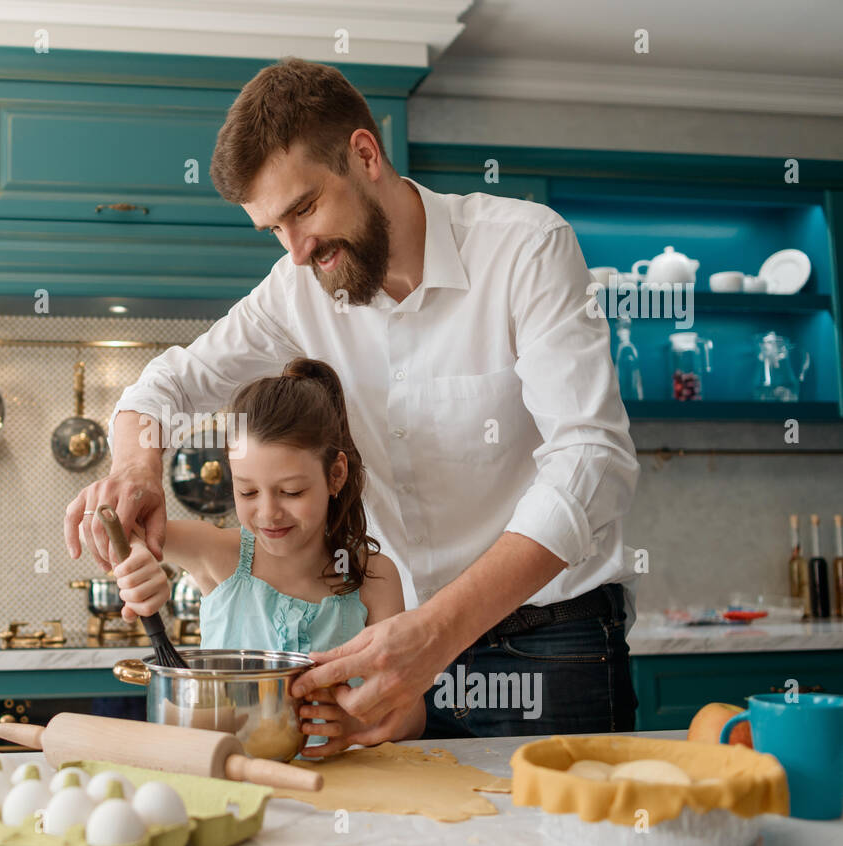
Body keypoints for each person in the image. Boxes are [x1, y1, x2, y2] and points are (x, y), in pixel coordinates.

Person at [64, 56, 639, 742]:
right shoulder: (296, 291)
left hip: (551, 644)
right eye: (274, 229)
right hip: (391, 654)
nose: (296, 251)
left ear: (365, 155)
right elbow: (169, 384)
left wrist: (439, 630)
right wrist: (136, 468)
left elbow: (591, 458)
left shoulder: (525, 249)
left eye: (303, 209)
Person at [108, 358, 424, 756]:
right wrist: (138, 559)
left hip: (345, 784)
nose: (268, 513)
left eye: (291, 492)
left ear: (335, 475)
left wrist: (362, 723)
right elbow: (119, 524)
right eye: (248, 492)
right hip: (231, 780)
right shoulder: (218, 554)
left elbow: (412, 714)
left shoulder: (373, 577)